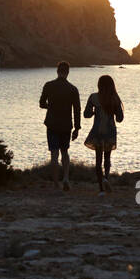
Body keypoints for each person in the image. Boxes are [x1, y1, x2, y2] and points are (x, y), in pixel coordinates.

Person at [39, 61, 80, 191]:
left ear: (57, 71)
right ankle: (66, 178)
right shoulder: (73, 89)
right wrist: (77, 128)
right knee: (65, 151)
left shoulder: (48, 85)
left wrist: (50, 106)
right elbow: (77, 110)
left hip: (52, 123)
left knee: (54, 154)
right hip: (66, 124)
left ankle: (56, 183)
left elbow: (41, 103)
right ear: (68, 72)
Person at [84, 73, 124, 195]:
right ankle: (106, 177)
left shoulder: (93, 97)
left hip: (97, 130)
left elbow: (86, 114)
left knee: (98, 159)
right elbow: (120, 118)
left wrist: (94, 113)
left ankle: (101, 188)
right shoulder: (115, 98)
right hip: (110, 131)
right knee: (107, 157)